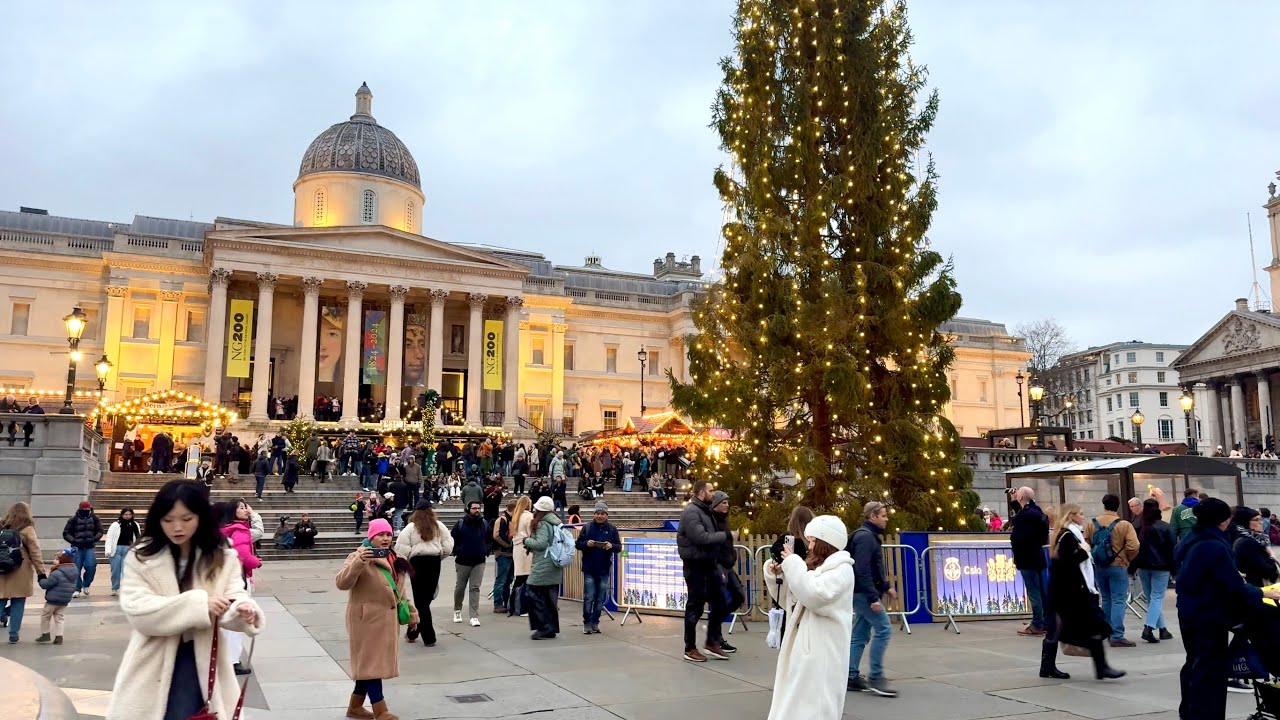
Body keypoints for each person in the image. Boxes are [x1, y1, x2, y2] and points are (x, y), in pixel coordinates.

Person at [105, 480, 265, 720]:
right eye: (168, 520)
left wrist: (243, 611)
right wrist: (199, 605)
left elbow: (234, 595)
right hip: (152, 661)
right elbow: (138, 610)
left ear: (201, 517)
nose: (177, 527)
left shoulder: (222, 555)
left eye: (186, 519)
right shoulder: (142, 556)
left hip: (204, 659)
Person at [1176, 498, 1280, 720]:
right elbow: (1232, 584)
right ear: (1222, 520)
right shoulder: (1214, 546)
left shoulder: (1190, 539)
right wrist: (1262, 593)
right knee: (1210, 669)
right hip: (1209, 614)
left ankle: (1189, 712)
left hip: (1188, 610)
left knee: (1194, 662)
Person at [766, 515, 856, 720]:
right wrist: (778, 574)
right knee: (797, 704)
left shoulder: (842, 570)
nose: (810, 546)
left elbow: (813, 595)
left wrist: (792, 564)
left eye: (814, 540)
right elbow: (794, 599)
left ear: (826, 542)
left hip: (822, 651)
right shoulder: (820, 568)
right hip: (808, 649)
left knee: (814, 706)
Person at [336, 518, 418, 720]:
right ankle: (380, 710)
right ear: (371, 537)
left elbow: (400, 592)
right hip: (365, 621)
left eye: (388, 534)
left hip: (387, 621)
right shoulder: (358, 556)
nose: (385, 538)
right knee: (372, 665)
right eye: (380, 534)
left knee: (370, 664)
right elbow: (342, 583)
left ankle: (355, 707)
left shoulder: (396, 558)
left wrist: (412, 614)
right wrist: (359, 562)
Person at [1046, 503, 1125, 681]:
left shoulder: (1067, 534)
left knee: (1071, 628)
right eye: (1080, 514)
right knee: (1090, 628)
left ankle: (1099, 667)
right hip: (1072, 593)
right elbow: (1067, 564)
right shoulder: (1068, 536)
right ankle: (1101, 667)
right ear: (1071, 515)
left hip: (1070, 592)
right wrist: (1083, 551)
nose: (1083, 516)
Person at [676, 480, 730, 662]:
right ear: (701, 493)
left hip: (708, 564)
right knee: (695, 606)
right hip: (696, 565)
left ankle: (712, 642)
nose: (714, 494)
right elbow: (701, 537)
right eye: (711, 490)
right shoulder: (691, 512)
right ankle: (690, 648)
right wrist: (726, 536)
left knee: (720, 602)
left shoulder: (704, 510)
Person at [846, 501, 896, 697]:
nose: (886, 519)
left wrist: (885, 587)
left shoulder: (867, 536)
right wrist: (873, 597)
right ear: (872, 516)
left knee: (860, 634)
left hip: (861, 591)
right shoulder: (866, 538)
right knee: (884, 629)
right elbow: (862, 569)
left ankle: (850, 675)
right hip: (863, 593)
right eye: (883, 515)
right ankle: (875, 676)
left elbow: (873, 568)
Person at [1083, 494, 1140, 647]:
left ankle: (1106, 631)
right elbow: (1134, 546)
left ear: (1104, 505)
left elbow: (1085, 543)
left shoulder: (1092, 523)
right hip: (1118, 565)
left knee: (1106, 599)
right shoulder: (1125, 525)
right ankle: (1117, 635)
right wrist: (1126, 559)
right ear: (1118, 505)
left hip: (1099, 566)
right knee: (1118, 600)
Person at [395, 500, 452, 647]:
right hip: (434, 562)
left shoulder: (410, 528)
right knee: (425, 600)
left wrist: (408, 561)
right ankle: (417, 633)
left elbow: (401, 549)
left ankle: (422, 634)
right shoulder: (439, 526)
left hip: (417, 563)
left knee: (421, 601)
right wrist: (439, 556)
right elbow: (448, 546)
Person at [219, 499, 262, 676]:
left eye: (246, 507)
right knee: (238, 620)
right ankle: (233, 661)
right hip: (238, 580)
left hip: (226, 579)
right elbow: (243, 554)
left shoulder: (225, 529)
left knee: (227, 620)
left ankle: (225, 659)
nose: (246, 510)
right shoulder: (240, 529)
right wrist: (256, 562)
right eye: (242, 508)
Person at [1129, 498, 1177, 645]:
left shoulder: (1137, 526)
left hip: (1143, 566)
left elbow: (1133, 547)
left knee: (1151, 598)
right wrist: (1174, 569)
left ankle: (1162, 629)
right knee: (1156, 597)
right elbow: (1172, 550)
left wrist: (1132, 566)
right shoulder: (1165, 527)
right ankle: (1148, 628)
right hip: (1161, 566)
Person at [764, 506, 814, 637]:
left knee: (787, 625)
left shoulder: (787, 540)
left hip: (789, 586)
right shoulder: (811, 542)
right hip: (805, 586)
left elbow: (774, 550)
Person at [0, 502, 46, 643]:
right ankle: (13, 634)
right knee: (18, 602)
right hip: (21, 570)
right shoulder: (28, 529)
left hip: (2, 570)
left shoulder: (2, 527)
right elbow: (35, 552)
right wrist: (41, 573)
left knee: (1, 600)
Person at [521, 496, 565, 640]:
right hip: (554, 563)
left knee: (534, 594)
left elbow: (541, 544)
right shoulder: (556, 522)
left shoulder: (542, 524)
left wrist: (526, 540)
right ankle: (551, 627)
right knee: (550, 599)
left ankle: (543, 627)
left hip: (542, 564)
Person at [1009, 486, 1050, 637]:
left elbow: (1018, 537)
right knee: (1041, 591)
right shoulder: (1037, 511)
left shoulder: (1024, 516)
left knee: (1033, 592)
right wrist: (1015, 501)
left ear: (1020, 497)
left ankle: (1037, 624)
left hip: (1027, 558)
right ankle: (1044, 622)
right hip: (1038, 556)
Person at [576, 500, 621, 634]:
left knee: (600, 598)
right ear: (594, 514)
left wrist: (611, 546)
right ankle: (587, 623)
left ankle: (595, 622)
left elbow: (618, 547)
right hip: (589, 568)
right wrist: (586, 544)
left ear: (607, 515)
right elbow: (578, 544)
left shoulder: (612, 529)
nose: (600, 516)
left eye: (602, 513)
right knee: (589, 597)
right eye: (597, 513)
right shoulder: (587, 527)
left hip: (604, 568)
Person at [451, 500, 489, 627]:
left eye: (478, 508)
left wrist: (486, 550)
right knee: (460, 587)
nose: (477, 510)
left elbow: (489, 539)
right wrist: (458, 550)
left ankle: (474, 616)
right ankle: (457, 610)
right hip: (463, 561)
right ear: (468, 509)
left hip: (479, 561)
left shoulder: (484, 523)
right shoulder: (460, 524)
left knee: (475, 588)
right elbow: (452, 538)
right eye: (474, 508)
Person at [62, 500, 104, 597]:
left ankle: (86, 584)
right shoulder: (73, 519)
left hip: (89, 547)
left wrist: (94, 539)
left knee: (91, 566)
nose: (85, 511)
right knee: (75, 568)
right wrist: (73, 540)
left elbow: (100, 531)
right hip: (77, 547)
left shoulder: (95, 519)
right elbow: (66, 533)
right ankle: (77, 588)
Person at [35, 550, 77, 644]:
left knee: (45, 616)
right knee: (59, 618)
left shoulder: (57, 573)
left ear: (63, 560)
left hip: (53, 600)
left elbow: (46, 584)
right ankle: (59, 636)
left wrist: (41, 578)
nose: (54, 561)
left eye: (57, 559)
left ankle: (45, 634)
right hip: (64, 600)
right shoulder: (74, 571)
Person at [1231, 506, 1279, 589]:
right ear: (1245, 522)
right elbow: (1265, 569)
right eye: (1257, 520)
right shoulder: (1248, 542)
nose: (1261, 522)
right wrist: (1272, 558)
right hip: (1256, 585)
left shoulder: (1250, 538)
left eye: (1261, 519)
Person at [104, 508, 142, 597]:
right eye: (126, 514)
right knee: (115, 570)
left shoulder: (135, 524)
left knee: (126, 571)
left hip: (128, 549)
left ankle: (126, 589)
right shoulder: (115, 525)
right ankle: (115, 588)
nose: (128, 516)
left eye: (129, 514)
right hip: (116, 549)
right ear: (122, 515)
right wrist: (108, 550)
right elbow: (109, 537)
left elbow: (138, 537)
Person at [509, 496, 534, 618]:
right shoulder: (529, 516)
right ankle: (523, 607)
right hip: (526, 549)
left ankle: (513, 606)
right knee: (526, 579)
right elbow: (531, 533)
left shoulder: (516, 516)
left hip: (517, 549)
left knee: (519, 578)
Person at [491, 499, 516, 614]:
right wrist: (508, 544)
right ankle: (498, 604)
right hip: (503, 553)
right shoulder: (502, 519)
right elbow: (497, 536)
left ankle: (506, 603)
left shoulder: (509, 519)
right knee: (502, 579)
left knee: (508, 579)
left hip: (509, 553)